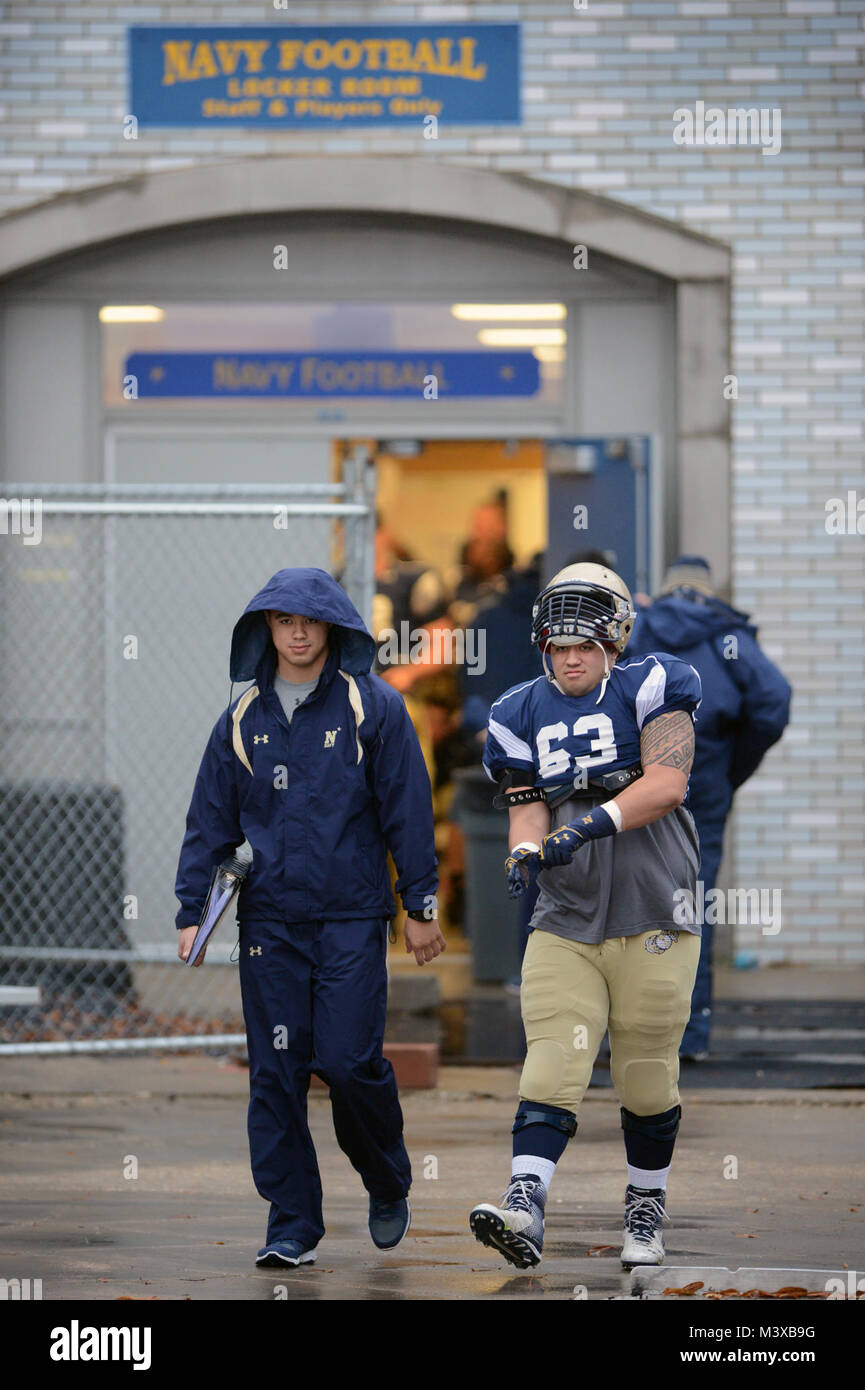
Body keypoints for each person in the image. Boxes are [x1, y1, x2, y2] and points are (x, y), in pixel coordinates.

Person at [174, 567, 444, 1269]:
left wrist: (419, 904)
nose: (296, 633)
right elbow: (207, 822)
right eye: (282, 620)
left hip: (350, 916)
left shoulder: (371, 708)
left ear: (332, 628)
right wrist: (188, 909)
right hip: (269, 925)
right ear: (265, 627)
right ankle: (291, 1222)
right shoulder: (240, 721)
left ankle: (385, 1178)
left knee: (348, 1063)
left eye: (309, 620)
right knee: (275, 1073)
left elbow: (407, 809)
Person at [468, 561, 702, 1270]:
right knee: (552, 1059)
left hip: (656, 909)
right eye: (558, 645)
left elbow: (664, 784)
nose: (570, 658)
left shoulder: (656, 685)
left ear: (613, 644)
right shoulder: (515, 713)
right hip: (565, 915)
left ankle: (644, 1208)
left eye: (585, 646)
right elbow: (527, 813)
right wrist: (525, 850)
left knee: (645, 1071)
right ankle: (524, 1203)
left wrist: (586, 826)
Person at [626, 556, 791, 1058]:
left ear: (666, 586)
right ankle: (688, 1037)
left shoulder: (639, 626)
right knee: (691, 906)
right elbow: (774, 701)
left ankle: (628, 1033)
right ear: (707, 588)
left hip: (639, 784)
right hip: (706, 780)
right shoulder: (725, 635)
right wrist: (731, 767)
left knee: (628, 902)